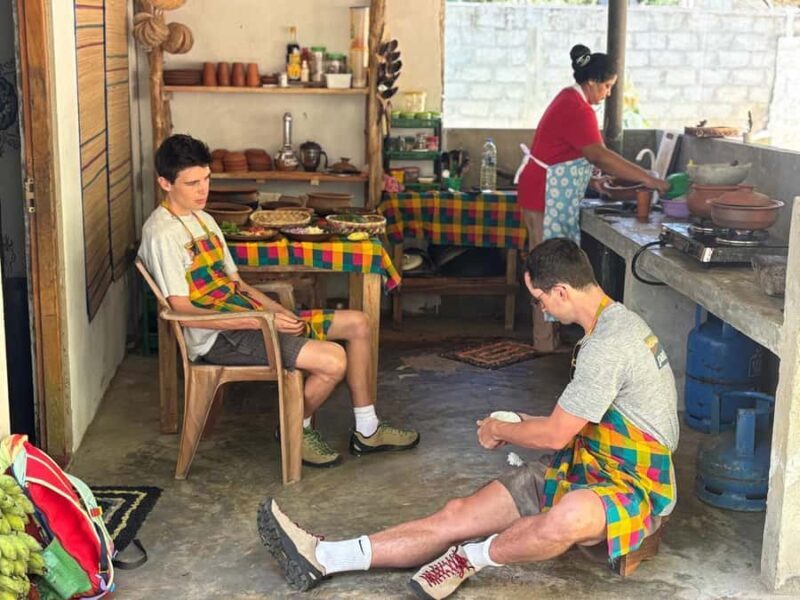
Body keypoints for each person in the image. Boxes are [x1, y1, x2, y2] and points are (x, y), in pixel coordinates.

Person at [258, 239, 679, 599]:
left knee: (567, 517)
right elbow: (574, 423)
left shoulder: (607, 346)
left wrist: (501, 430)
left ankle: (470, 557)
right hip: (585, 461)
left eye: (541, 299)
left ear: (563, 291)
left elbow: (554, 435)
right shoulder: (617, 322)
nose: (544, 310)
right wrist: (518, 422)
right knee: (456, 515)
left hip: (632, 482)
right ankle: (325, 557)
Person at [138, 134, 419, 468]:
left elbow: (237, 283)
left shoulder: (202, 218)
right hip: (220, 337)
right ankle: (292, 428)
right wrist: (262, 320)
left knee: (359, 323)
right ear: (164, 183)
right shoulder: (162, 234)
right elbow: (182, 312)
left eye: (207, 179)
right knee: (333, 360)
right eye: (192, 183)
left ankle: (367, 429)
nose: (203, 190)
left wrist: (276, 310)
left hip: (250, 319)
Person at [515, 44, 670, 353]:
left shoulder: (570, 99)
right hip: (545, 194)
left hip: (544, 190)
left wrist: (594, 181)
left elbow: (569, 154)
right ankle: (544, 343)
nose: (609, 93)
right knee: (547, 269)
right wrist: (647, 178)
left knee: (551, 267)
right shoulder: (577, 107)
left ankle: (549, 337)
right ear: (593, 82)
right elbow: (599, 154)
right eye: (608, 86)